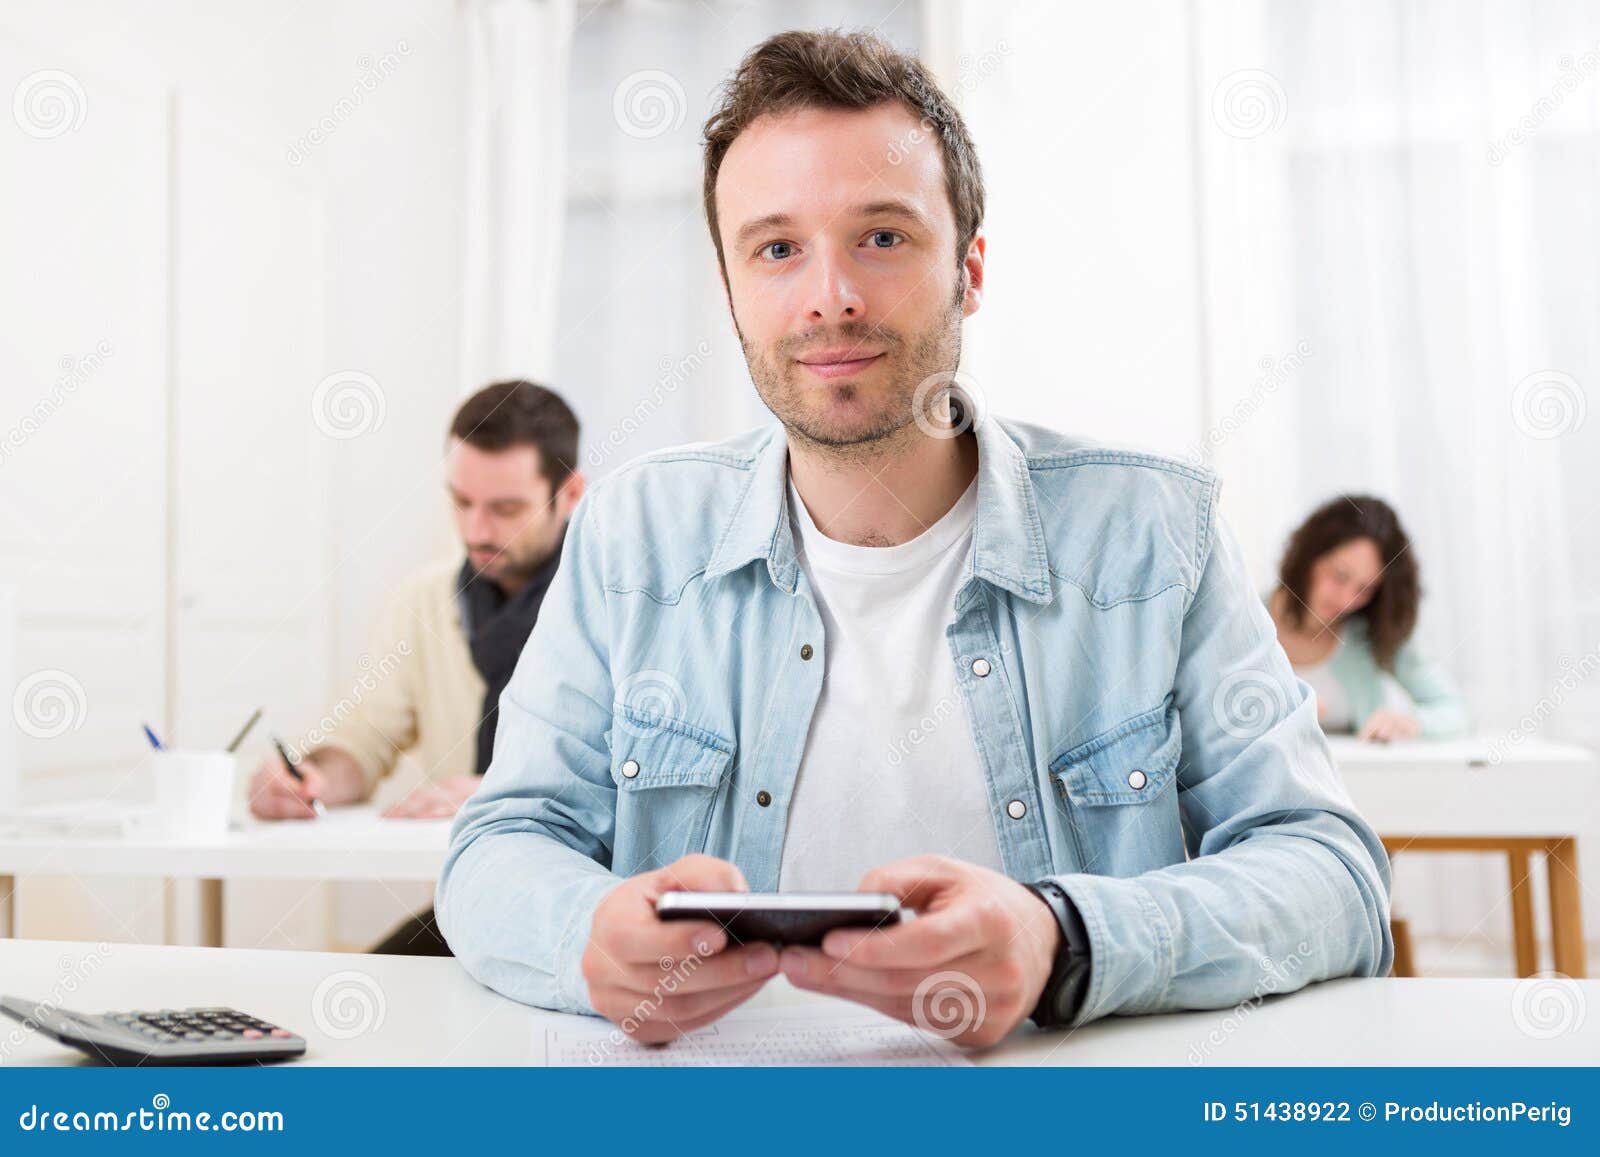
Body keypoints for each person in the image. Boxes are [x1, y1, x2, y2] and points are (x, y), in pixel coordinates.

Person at [438, 29, 1392, 1047]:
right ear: (729, 289)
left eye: (883, 237)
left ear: (968, 268)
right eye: (776, 248)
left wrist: (1064, 939)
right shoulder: (634, 537)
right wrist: (586, 935)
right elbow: (498, 843)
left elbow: (1330, 874)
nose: (830, 295)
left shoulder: (1154, 535)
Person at [248, 380, 583, 953]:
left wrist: (504, 796)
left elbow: (648, 778)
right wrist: (316, 779)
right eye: (462, 501)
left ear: (570, 494)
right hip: (477, 896)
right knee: (360, 999)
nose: (477, 531)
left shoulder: (619, 600)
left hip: (590, 902)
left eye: (506, 509)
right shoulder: (425, 601)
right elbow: (367, 737)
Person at [1268, 495, 1471, 742]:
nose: (1347, 600)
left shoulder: (1370, 632)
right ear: (1308, 557)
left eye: (1365, 589)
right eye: (1340, 576)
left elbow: (1457, 713)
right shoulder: (1246, 620)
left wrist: (1410, 723)